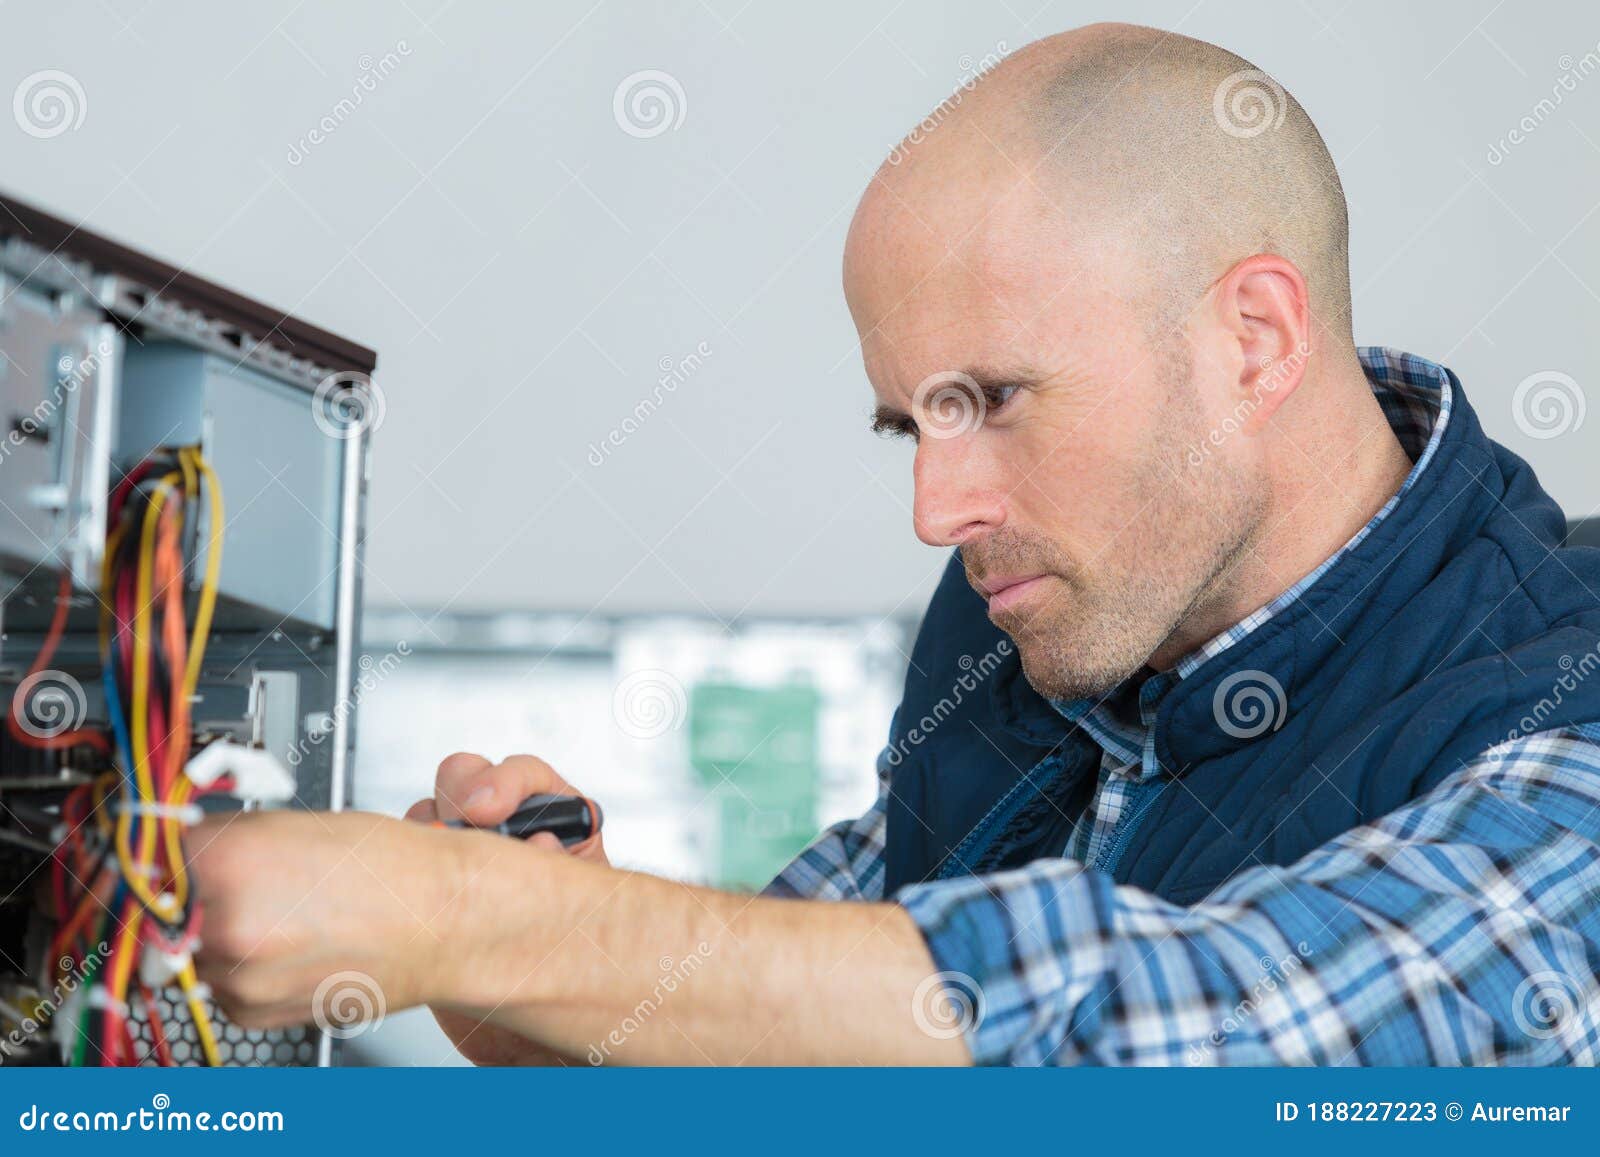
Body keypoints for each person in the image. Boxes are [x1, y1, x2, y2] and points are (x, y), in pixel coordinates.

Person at [184, 23, 1600, 1065]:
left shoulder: (1561, 717)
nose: (938, 511)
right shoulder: (1042, 635)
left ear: (1255, 339)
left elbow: (1208, 1035)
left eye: (995, 402)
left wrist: (496, 928)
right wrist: (554, 992)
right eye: (909, 426)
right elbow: (819, 1031)